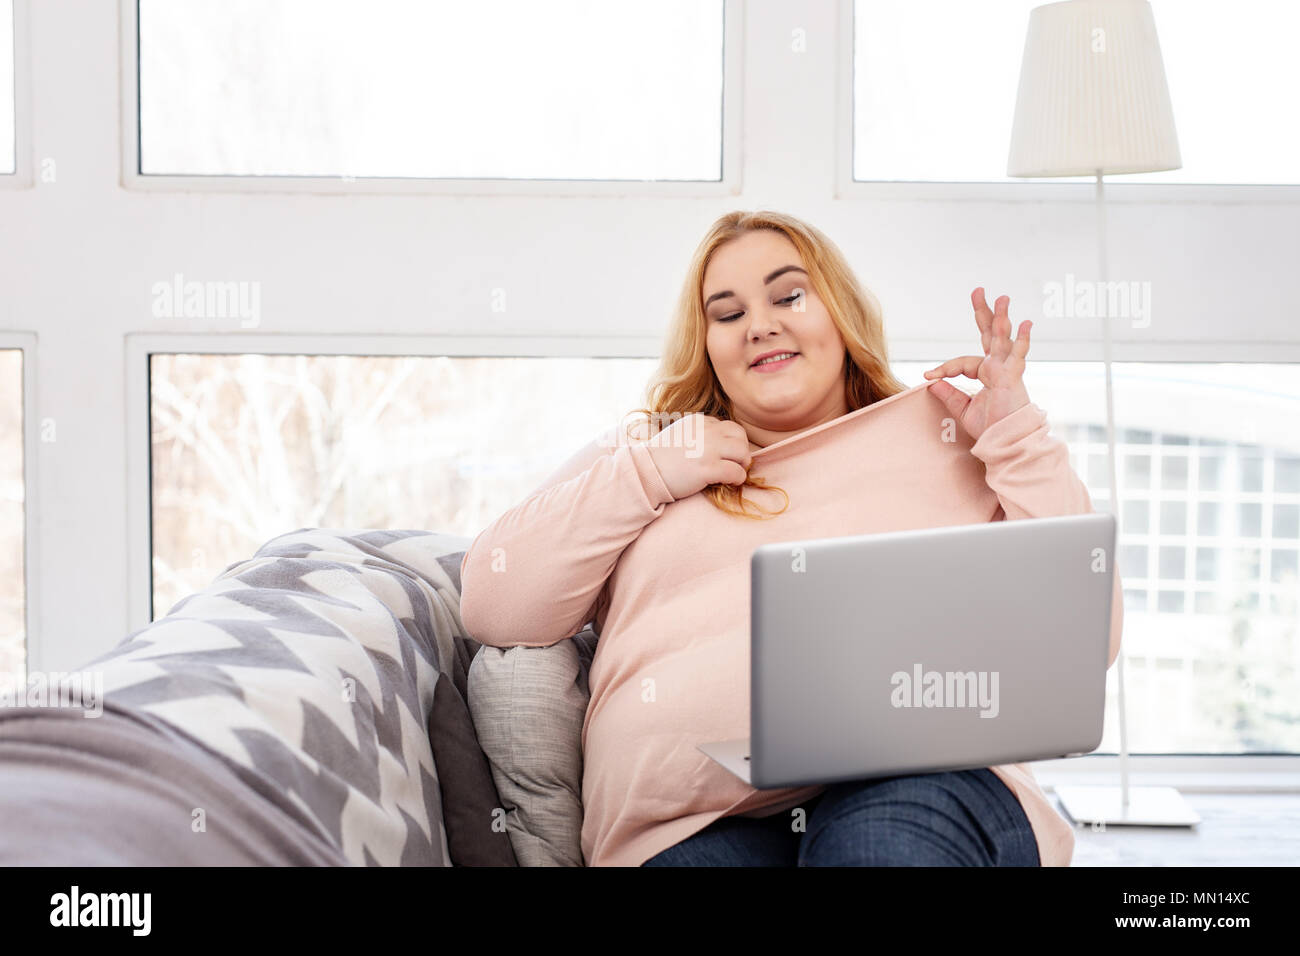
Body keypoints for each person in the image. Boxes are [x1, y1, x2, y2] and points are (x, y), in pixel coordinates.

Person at [459, 209, 1123, 867]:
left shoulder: (957, 431)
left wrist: (1016, 437)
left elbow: (1085, 638)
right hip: (684, 824)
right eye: (727, 313)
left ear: (838, 311)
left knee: (878, 852)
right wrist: (650, 472)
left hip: (918, 784)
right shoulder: (649, 451)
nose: (760, 325)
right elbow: (494, 600)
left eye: (789, 295)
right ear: (708, 344)